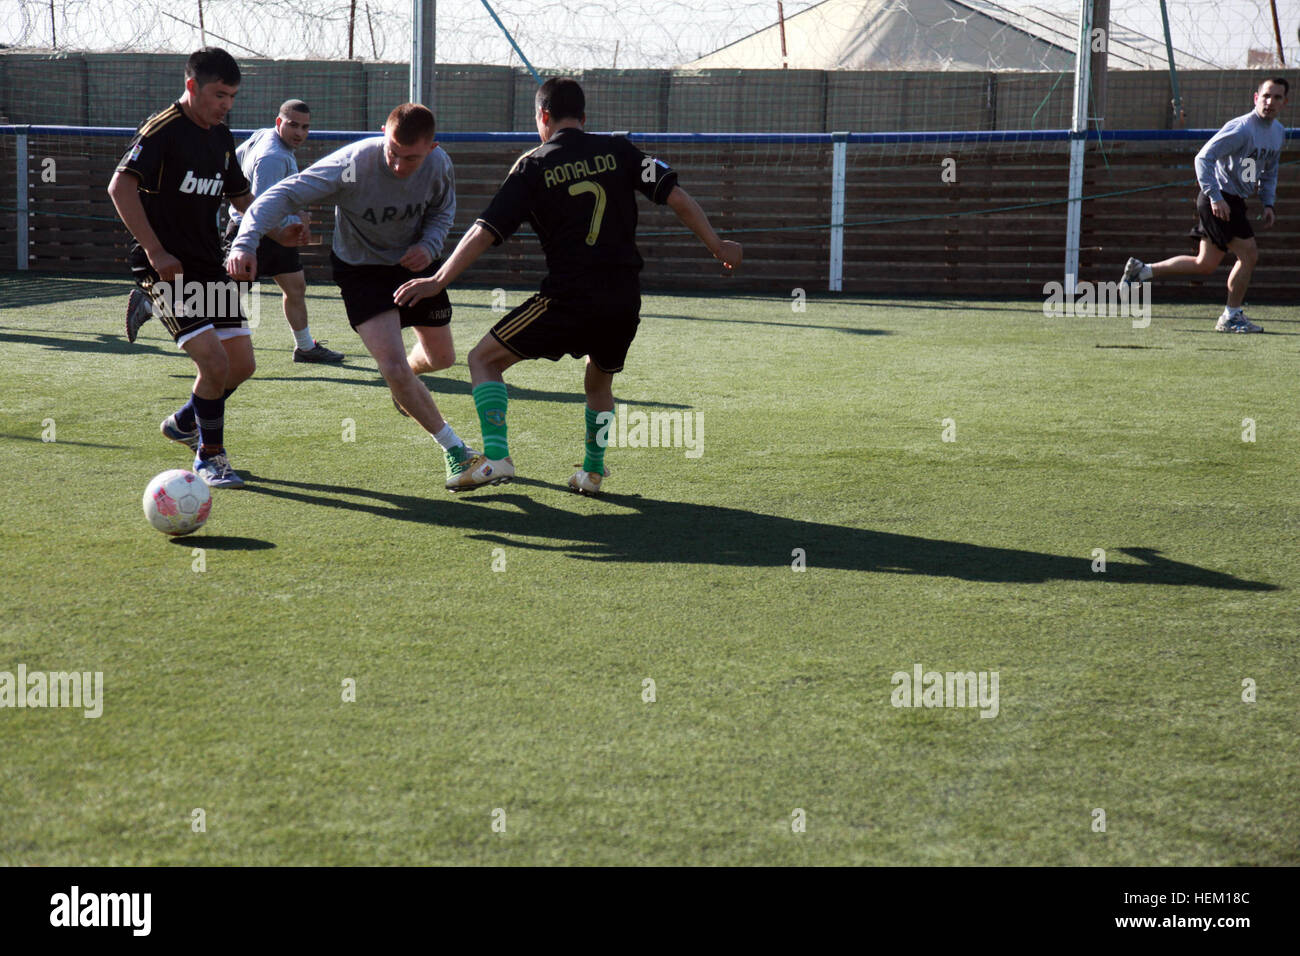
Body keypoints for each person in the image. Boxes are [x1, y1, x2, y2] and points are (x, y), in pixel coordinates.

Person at [394, 77, 742, 495]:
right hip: (624, 299)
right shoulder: (619, 149)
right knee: (599, 381)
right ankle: (592, 472)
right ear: (584, 117)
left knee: (483, 360)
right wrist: (718, 245)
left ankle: (497, 459)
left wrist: (437, 279)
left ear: (543, 116)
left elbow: (484, 231)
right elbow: (677, 197)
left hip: (568, 299)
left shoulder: (532, 165)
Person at [226, 103, 476, 482]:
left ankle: (403, 381)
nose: (397, 165)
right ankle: (456, 450)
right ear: (382, 134)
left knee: (441, 358)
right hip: (361, 270)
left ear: (432, 148)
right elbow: (282, 194)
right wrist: (245, 241)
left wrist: (430, 244)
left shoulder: (440, 165)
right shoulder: (353, 162)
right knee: (389, 364)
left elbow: (443, 211)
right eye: (392, 151)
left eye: (410, 157)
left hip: (415, 265)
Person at [108, 47, 305, 488]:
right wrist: (157, 253)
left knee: (242, 365)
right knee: (214, 365)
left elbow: (241, 200)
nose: (226, 104)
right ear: (193, 85)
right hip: (165, 270)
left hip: (208, 267)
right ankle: (209, 457)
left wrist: (276, 233)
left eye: (232, 96)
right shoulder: (162, 131)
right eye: (220, 94)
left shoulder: (220, 137)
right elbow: (119, 187)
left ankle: (184, 422)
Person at [1121, 77, 1288, 333]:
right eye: (1266, 96)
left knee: (1205, 264)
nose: (1270, 102)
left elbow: (1269, 171)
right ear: (1256, 98)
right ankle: (1231, 316)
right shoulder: (1242, 128)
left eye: (1277, 97)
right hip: (1221, 199)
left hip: (1234, 201)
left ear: (1284, 103)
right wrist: (1215, 197)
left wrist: (1268, 203)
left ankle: (1141, 271)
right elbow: (1203, 158)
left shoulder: (1278, 133)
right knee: (1249, 254)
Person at [224, 99, 343, 363]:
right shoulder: (274, 158)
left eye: (305, 127)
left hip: (273, 232)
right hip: (256, 233)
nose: (299, 133)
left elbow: (233, 165)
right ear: (280, 123)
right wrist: (298, 216)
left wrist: (295, 216)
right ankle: (153, 306)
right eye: (293, 125)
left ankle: (305, 348)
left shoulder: (264, 135)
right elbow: (262, 209)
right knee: (223, 297)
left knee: (295, 287)